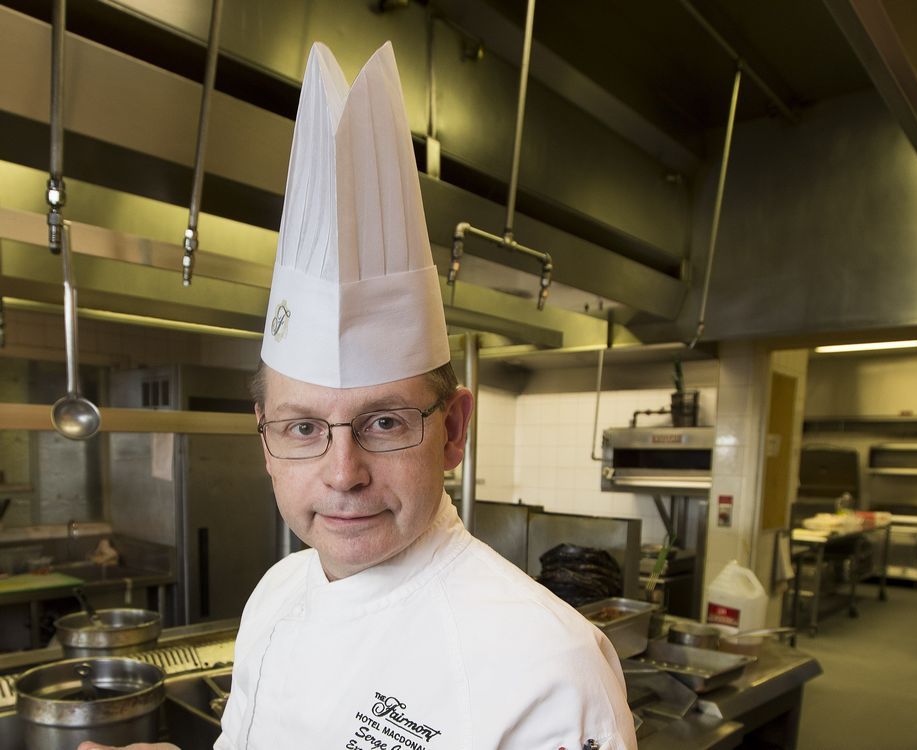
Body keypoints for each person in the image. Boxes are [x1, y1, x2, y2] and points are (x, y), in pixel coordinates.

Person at [79, 41, 636, 750]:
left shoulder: (549, 668)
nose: (343, 474)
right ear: (264, 438)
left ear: (454, 431)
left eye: (384, 422)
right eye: (303, 428)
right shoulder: (277, 596)